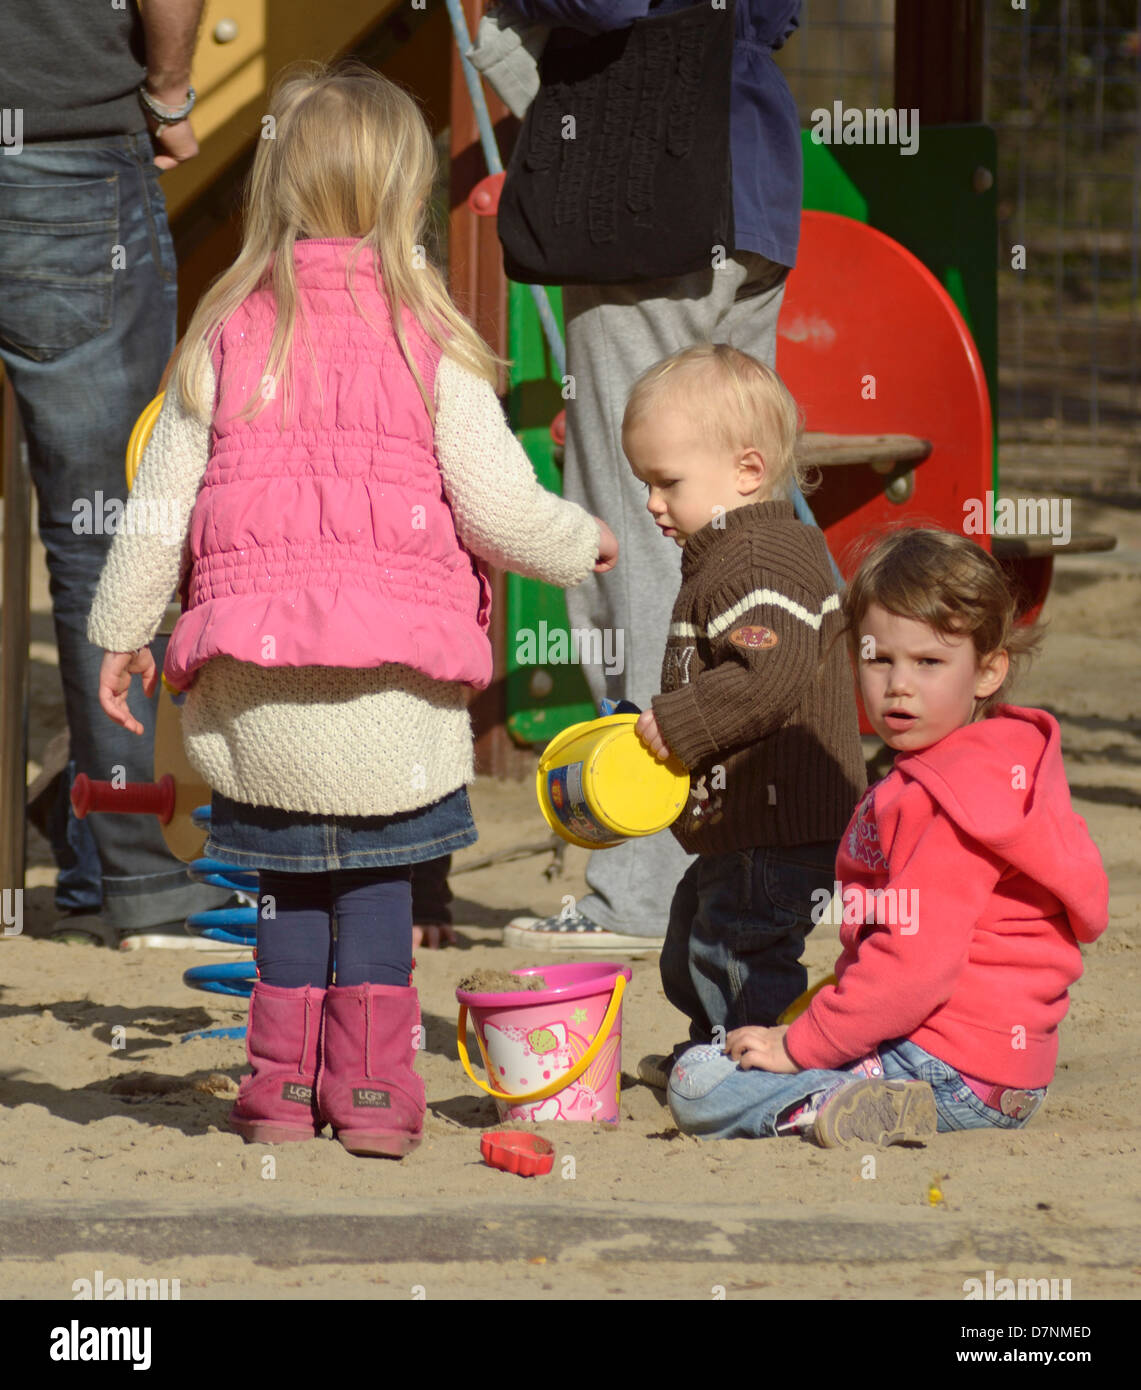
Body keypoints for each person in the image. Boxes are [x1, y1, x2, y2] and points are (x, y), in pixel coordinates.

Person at [86, 62, 618, 1158]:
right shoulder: (433, 343)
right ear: (403, 198)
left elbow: (155, 512)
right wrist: (586, 540)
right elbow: (500, 511)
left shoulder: (223, 335)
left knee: (285, 894)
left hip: (259, 697)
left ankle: (278, 1089)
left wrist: (120, 632)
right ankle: (373, 1094)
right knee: (376, 887)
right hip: (391, 697)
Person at [501, 0, 804, 952]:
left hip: (652, 181)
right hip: (748, 165)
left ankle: (642, 885)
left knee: (635, 535)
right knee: (739, 526)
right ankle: (764, 851)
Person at [667, 527, 1110, 1148]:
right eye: (880, 659)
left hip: (942, 1068)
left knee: (697, 1086)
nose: (899, 684)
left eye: (929, 662)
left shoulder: (944, 798)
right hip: (1009, 1077)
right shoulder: (994, 765)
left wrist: (800, 1046)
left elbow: (914, 968)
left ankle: (829, 1105)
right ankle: (851, 1094)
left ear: (988, 671)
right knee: (735, 1060)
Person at [0, 0, 232, 947]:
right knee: (104, 533)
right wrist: (168, 91)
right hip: (67, 144)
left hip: (64, 142)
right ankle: (132, 869)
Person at [621, 345, 865, 1081]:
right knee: (696, 939)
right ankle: (714, 1045)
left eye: (667, 482)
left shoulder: (761, 559)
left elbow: (769, 675)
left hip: (781, 820)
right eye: (645, 484)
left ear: (747, 473)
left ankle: (754, 1064)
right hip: (745, 823)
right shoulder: (728, 553)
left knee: (740, 944)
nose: (652, 504)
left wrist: (682, 721)